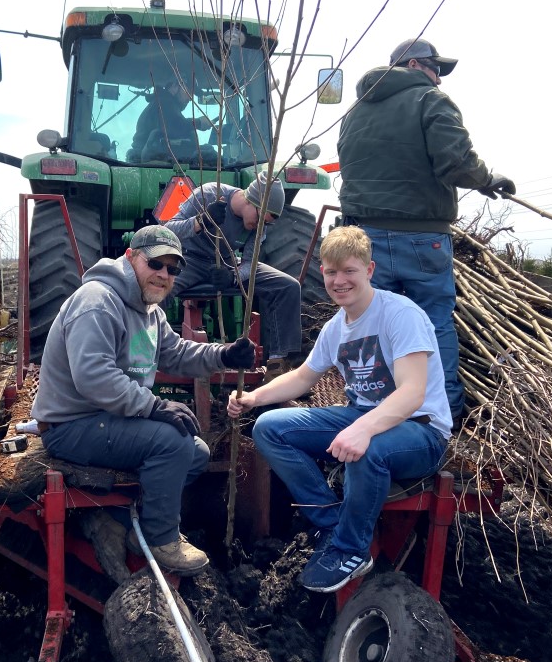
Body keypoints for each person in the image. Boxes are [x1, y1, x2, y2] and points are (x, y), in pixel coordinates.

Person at [227, 226, 451, 593]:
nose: (338, 280)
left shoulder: (400, 315)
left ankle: (351, 549)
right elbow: (302, 378)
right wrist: (254, 398)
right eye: (330, 272)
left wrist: (363, 430)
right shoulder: (336, 328)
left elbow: (412, 393)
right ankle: (330, 520)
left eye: (349, 270)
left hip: (420, 430)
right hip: (363, 416)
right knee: (269, 428)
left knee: (368, 449)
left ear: (369, 270)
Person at [30, 224, 257, 576]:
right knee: (171, 443)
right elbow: (94, 378)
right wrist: (155, 406)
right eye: (156, 264)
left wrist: (224, 355)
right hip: (71, 424)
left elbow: (177, 353)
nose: (164, 275)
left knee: (195, 453)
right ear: (131, 257)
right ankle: (159, 537)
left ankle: (122, 520)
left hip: (108, 418)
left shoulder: (150, 312)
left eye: (172, 269)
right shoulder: (98, 301)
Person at [337, 37, 516, 428]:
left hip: (363, 238)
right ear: (416, 66)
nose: (439, 79)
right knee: (432, 323)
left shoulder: (356, 110)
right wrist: (488, 180)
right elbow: (457, 162)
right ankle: (441, 414)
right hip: (420, 238)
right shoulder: (430, 101)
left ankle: (373, 410)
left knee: (371, 324)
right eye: (436, 69)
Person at [165, 172, 302, 369]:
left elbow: (250, 262)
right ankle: (149, 352)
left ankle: (280, 365)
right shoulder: (209, 195)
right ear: (250, 200)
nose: (261, 226)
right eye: (261, 218)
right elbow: (166, 230)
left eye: (267, 223)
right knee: (159, 291)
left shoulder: (259, 224)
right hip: (190, 260)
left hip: (228, 263)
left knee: (288, 286)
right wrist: (201, 221)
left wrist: (234, 276)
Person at [127, 79, 210, 162]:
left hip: (152, 160)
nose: (190, 98)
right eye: (188, 91)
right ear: (174, 86)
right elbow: (173, 127)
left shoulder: (164, 104)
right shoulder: (164, 102)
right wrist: (199, 123)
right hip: (148, 163)